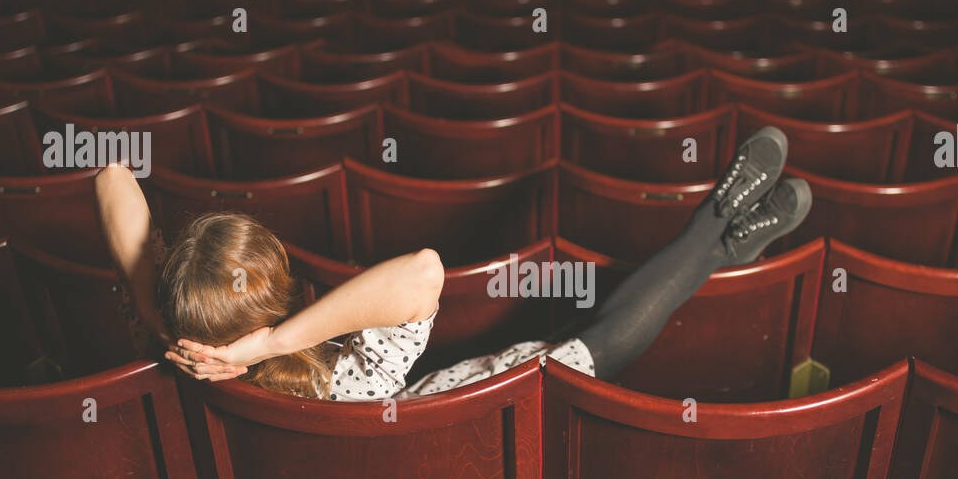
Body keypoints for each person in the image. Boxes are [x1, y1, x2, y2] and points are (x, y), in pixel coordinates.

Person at [94, 127, 811, 400]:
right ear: (281, 282)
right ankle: (716, 232)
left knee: (588, 348)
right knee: (598, 345)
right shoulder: (343, 374)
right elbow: (425, 271)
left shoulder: (173, 355)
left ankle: (726, 238)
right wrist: (277, 340)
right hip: (454, 436)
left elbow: (107, 175)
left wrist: (162, 316)